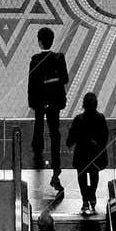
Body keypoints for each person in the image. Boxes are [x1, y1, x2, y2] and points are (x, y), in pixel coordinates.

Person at [27, 27, 69, 191]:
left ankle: (38, 150)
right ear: (52, 41)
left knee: (38, 125)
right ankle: (56, 166)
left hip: (39, 101)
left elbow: (31, 83)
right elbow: (64, 79)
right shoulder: (59, 58)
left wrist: (32, 100)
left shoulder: (35, 60)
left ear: (39, 41)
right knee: (54, 130)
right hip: (54, 101)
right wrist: (53, 81)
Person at [66, 92, 109, 215]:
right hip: (95, 156)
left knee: (82, 177)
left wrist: (70, 141)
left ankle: (85, 200)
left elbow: (71, 138)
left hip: (81, 155)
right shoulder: (100, 118)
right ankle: (92, 196)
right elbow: (104, 137)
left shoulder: (79, 119)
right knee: (94, 175)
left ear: (84, 105)